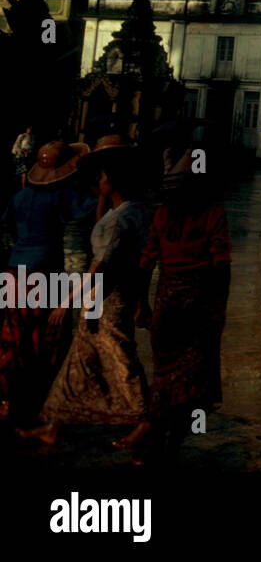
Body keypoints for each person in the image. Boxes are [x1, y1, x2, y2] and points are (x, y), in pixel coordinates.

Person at [24, 138, 151, 448]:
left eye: (104, 178)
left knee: (121, 361)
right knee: (77, 363)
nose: (99, 182)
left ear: (114, 182)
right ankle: (52, 424)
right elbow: (107, 236)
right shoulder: (134, 210)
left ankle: (147, 421)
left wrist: (66, 303)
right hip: (115, 295)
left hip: (105, 299)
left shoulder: (118, 219)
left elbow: (97, 266)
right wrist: (102, 201)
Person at [136, 149, 231, 466]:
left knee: (164, 373)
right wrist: (219, 308)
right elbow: (221, 265)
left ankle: (153, 437)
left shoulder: (162, 215)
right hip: (199, 304)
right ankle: (169, 444)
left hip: (166, 301)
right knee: (190, 381)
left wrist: (142, 305)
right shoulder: (213, 212)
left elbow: (146, 263)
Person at [0, 140, 95, 427]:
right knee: (43, 335)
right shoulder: (63, 196)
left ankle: (6, 398)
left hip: (14, 270)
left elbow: (8, 230)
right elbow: (89, 210)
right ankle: (36, 399)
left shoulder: (20, 197)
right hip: (42, 271)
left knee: (12, 334)